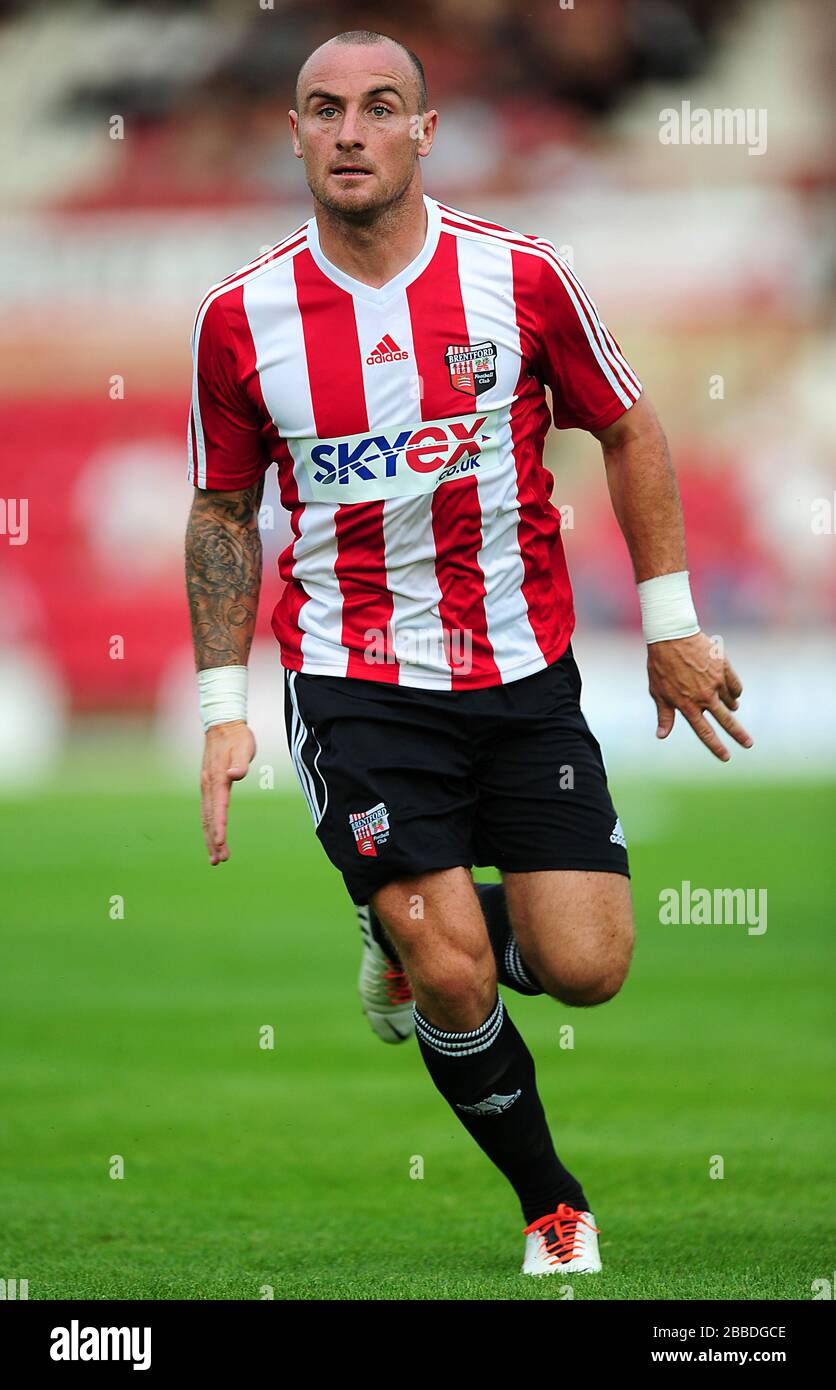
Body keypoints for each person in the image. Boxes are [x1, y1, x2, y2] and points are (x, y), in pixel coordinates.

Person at [184, 29, 752, 1277]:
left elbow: (627, 423)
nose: (348, 131)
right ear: (293, 134)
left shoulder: (521, 276)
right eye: (323, 110)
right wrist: (225, 705)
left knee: (585, 965)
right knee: (451, 968)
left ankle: (408, 929)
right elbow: (224, 512)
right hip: (354, 679)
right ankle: (550, 1201)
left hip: (522, 675)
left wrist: (668, 628)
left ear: (423, 131)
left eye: (378, 108)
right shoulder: (240, 317)